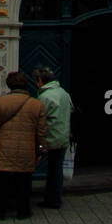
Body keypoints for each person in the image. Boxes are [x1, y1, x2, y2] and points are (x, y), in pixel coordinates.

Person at [0, 71, 47, 220]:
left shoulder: (0, 102)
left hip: (3, 150)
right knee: (24, 182)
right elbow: (41, 132)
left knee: (1, 183)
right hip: (26, 150)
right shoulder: (36, 105)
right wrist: (41, 150)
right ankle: (23, 211)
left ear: (9, 85)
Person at [33, 66, 73, 209]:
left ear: (40, 80)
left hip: (49, 137)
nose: (36, 84)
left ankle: (51, 200)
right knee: (57, 169)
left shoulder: (44, 97)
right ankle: (55, 198)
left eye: (36, 80)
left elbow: (38, 117)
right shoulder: (63, 93)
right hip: (63, 136)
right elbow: (71, 110)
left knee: (48, 169)